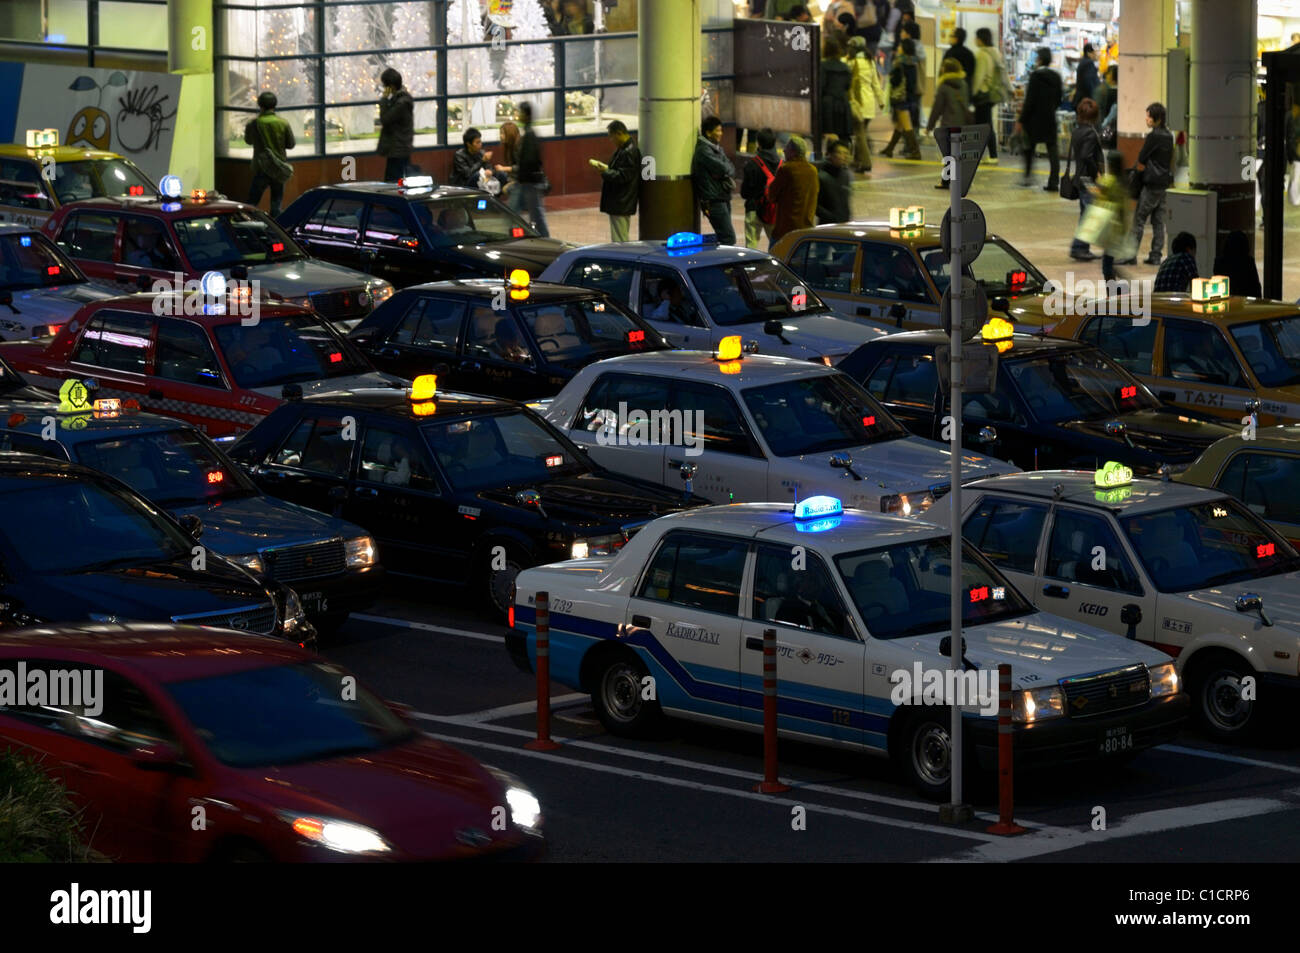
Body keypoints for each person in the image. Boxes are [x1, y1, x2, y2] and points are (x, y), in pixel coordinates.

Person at [1127, 101, 1175, 265]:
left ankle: (1130, 254)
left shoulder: (1153, 136)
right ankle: (1156, 255)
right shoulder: (1169, 136)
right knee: (1158, 222)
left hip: (1152, 184)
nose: (1146, 119)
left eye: (1148, 116)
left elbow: (1142, 158)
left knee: (1139, 219)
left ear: (1157, 119)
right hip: (1164, 184)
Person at [1016, 47, 1063, 191]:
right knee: (1052, 150)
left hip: (1034, 120)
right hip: (1049, 118)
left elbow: (1030, 101)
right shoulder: (1056, 77)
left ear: (1040, 59)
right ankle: (1054, 182)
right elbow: (1059, 98)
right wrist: (1051, 108)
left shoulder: (1035, 76)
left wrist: (1022, 120)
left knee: (1029, 148)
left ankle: (1028, 177)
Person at [244, 91, 295, 217]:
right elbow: (291, 144)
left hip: (261, 168)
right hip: (278, 169)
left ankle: (248, 229)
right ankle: (275, 231)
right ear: (275, 105)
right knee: (276, 205)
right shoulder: (283, 123)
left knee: (252, 204)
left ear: (260, 105)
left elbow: (248, 141)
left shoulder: (253, 124)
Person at [1086, 149, 1133, 282]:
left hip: (1109, 227)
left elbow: (1100, 194)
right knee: (1109, 260)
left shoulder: (1109, 180)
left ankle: (1113, 293)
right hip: (1118, 227)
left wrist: (1092, 189)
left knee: (1106, 266)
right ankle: (1118, 284)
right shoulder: (1122, 180)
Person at [1066, 98, 1104, 261]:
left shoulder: (1077, 131)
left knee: (1085, 214)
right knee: (1090, 216)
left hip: (1079, 178)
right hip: (1088, 180)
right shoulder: (1089, 132)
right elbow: (1087, 156)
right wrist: (1098, 173)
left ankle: (1082, 247)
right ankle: (1079, 247)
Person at [591, 120, 641, 242]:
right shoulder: (624, 149)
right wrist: (606, 168)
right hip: (620, 201)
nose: (611, 140)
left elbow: (623, 176)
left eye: (611, 137)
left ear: (619, 133)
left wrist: (605, 172)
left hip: (621, 201)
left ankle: (622, 258)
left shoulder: (629, 152)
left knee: (620, 238)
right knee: (619, 234)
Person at [692, 115, 737, 245]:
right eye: (717, 130)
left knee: (724, 236)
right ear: (708, 132)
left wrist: (724, 171)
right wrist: (724, 171)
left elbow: (731, 169)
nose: (720, 134)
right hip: (713, 200)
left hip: (722, 197)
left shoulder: (716, 148)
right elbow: (724, 168)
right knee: (728, 238)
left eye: (721, 130)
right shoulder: (704, 151)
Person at [927, 57, 971, 188]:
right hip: (962, 125)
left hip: (948, 125)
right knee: (957, 155)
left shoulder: (944, 86)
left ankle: (946, 182)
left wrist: (930, 125)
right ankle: (957, 181)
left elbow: (937, 108)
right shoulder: (964, 84)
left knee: (948, 155)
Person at [846, 35, 886, 172]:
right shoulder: (870, 62)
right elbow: (876, 84)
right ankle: (857, 161)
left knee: (859, 134)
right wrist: (881, 101)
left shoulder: (851, 63)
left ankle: (865, 162)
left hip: (858, 103)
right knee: (861, 133)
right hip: (869, 104)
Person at [768, 135, 819, 243]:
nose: (784, 150)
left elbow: (772, 196)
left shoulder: (786, 169)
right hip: (806, 228)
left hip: (785, 230)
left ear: (793, 152)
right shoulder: (813, 171)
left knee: (775, 257)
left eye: (787, 148)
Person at [512, 102, 550, 237]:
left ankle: (545, 239)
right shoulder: (527, 133)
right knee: (520, 212)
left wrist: (520, 177)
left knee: (535, 215)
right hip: (526, 181)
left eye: (520, 112)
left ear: (527, 115)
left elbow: (530, 161)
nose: (518, 115)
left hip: (529, 182)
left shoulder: (529, 135)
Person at [880, 37, 922, 160]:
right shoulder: (914, 62)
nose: (898, 48)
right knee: (900, 124)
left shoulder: (899, 62)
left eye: (900, 46)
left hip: (901, 98)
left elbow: (895, 80)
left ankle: (915, 152)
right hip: (910, 97)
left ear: (904, 49)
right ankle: (890, 149)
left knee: (907, 125)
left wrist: (892, 77)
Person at [740, 127, 782, 248]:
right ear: (774, 143)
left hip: (753, 209)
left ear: (759, 143)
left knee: (751, 245)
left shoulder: (752, 164)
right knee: (777, 246)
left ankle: (752, 267)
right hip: (773, 211)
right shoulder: (781, 165)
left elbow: (744, 193)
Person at [970, 28, 1006, 164]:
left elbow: (979, 77)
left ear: (980, 39)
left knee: (982, 126)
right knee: (985, 125)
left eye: (976, 37)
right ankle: (991, 155)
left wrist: (972, 93)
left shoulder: (981, 54)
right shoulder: (995, 53)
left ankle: (989, 155)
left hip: (983, 94)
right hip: (991, 94)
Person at [377, 68, 414, 183]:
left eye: (385, 86)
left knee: (393, 183)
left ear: (391, 86)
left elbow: (385, 119)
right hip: (398, 148)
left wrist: (383, 99)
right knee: (394, 182)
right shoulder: (399, 100)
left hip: (398, 150)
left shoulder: (401, 103)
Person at [819, 34, 854, 156]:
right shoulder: (845, 67)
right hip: (843, 103)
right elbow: (848, 86)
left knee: (829, 134)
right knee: (843, 135)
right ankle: (843, 158)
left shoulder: (823, 66)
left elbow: (820, 86)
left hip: (828, 104)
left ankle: (830, 157)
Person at [1212, 230, 1262, 299]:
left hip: (1225, 302)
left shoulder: (1219, 261)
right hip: (1245, 302)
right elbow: (1255, 287)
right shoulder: (1248, 261)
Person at [815, 139, 853, 224]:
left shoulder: (845, 174)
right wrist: (832, 218)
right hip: (827, 227)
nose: (845, 156)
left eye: (846, 153)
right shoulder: (822, 177)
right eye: (840, 153)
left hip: (844, 224)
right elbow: (815, 205)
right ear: (831, 155)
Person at [899, 18, 923, 131]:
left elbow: (910, 63)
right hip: (916, 86)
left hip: (912, 86)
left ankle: (912, 141)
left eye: (902, 31)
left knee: (911, 114)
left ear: (908, 34)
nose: (901, 34)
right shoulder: (918, 46)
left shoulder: (912, 48)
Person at [944, 27, 975, 99]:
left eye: (951, 36)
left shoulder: (950, 53)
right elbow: (970, 74)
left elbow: (944, 72)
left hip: (950, 91)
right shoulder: (969, 53)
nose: (949, 38)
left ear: (956, 38)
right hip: (965, 91)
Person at [1073, 42, 1100, 110]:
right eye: (1096, 52)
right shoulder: (1089, 63)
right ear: (1089, 53)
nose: (1098, 54)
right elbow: (1089, 84)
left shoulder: (1084, 61)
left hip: (1082, 99)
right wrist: (1093, 100)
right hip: (1086, 102)